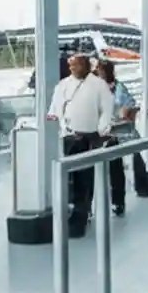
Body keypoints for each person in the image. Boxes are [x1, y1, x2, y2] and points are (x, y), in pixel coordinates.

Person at [46, 53, 114, 237]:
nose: (73, 68)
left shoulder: (98, 85)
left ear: (86, 65)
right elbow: (54, 109)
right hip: (69, 136)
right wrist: (58, 125)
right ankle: (76, 211)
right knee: (71, 177)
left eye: (76, 65)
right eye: (71, 65)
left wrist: (101, 130)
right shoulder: (63, 85)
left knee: (85, 177)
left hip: (89, 137)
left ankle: (80, 216)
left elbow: (107, 109)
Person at [95, 59, 148, 214]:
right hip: (105, 132)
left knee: (133, 158)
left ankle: (138, 189)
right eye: (99, 70)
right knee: (112, 166)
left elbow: (131, 104)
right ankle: (112, 202)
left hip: (122, 130)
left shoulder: (118, 87)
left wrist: (127, 112)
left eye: (104, 70)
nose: (101, 73)